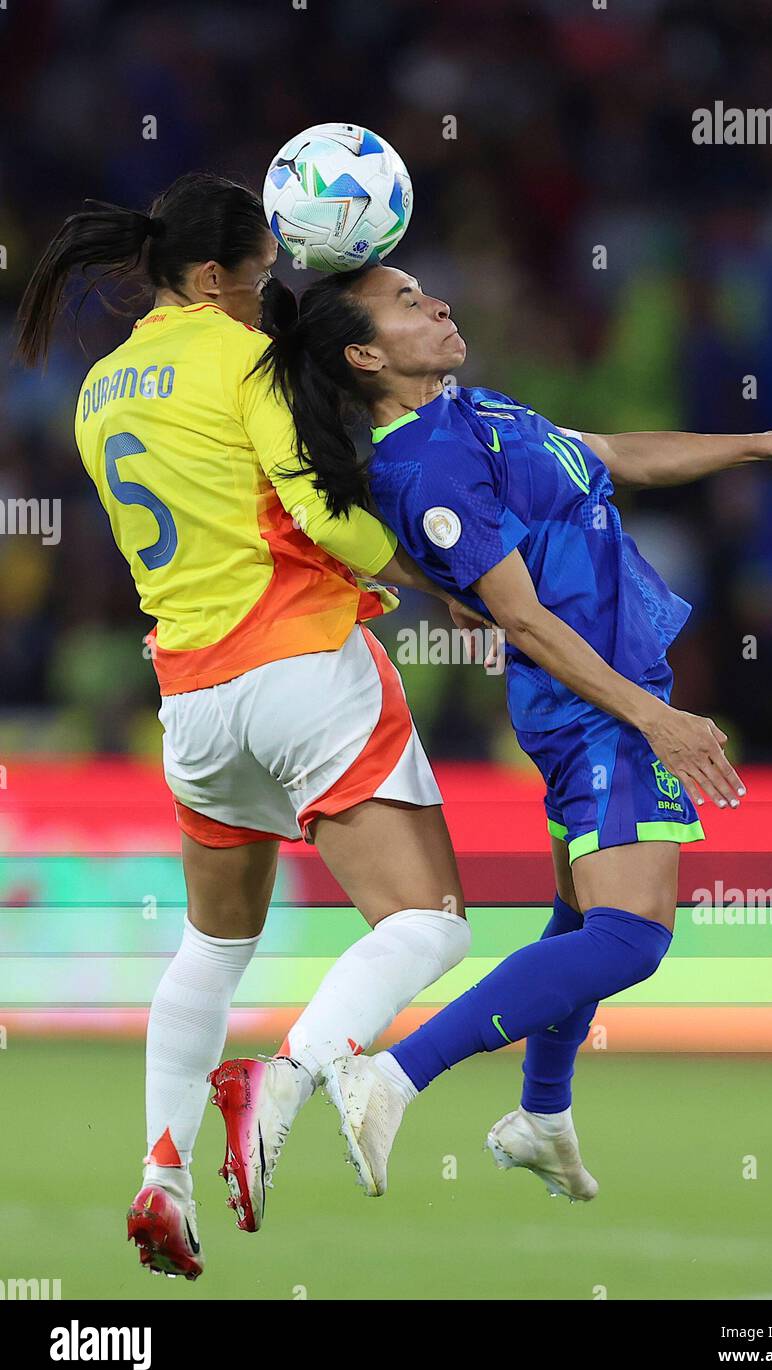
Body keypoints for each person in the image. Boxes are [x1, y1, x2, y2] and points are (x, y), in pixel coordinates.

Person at [259, 263, 772, 1199]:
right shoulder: (421, 465)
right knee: (630, 938)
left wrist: (766, 443)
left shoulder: (477, 412)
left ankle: (542, 1115)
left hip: (607, 693)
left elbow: (614, 453)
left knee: (580, 918)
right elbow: (523, 620)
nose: (440, 302)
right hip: (593, 706)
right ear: (365, 353)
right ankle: (394, 1075)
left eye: (428, 292)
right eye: (407, 303)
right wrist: (655, 717)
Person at [15, 180, 485, 1277]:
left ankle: (161, 1176)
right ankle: (285, 1074)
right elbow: (316, 512)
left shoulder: (95, 392)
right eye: (265, 274)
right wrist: (437, 580)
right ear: (216, 276)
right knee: (435, 923)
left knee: (213, 947)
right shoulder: (246, 361)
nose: (272, 291)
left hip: (192, 703)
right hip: (302, 663)